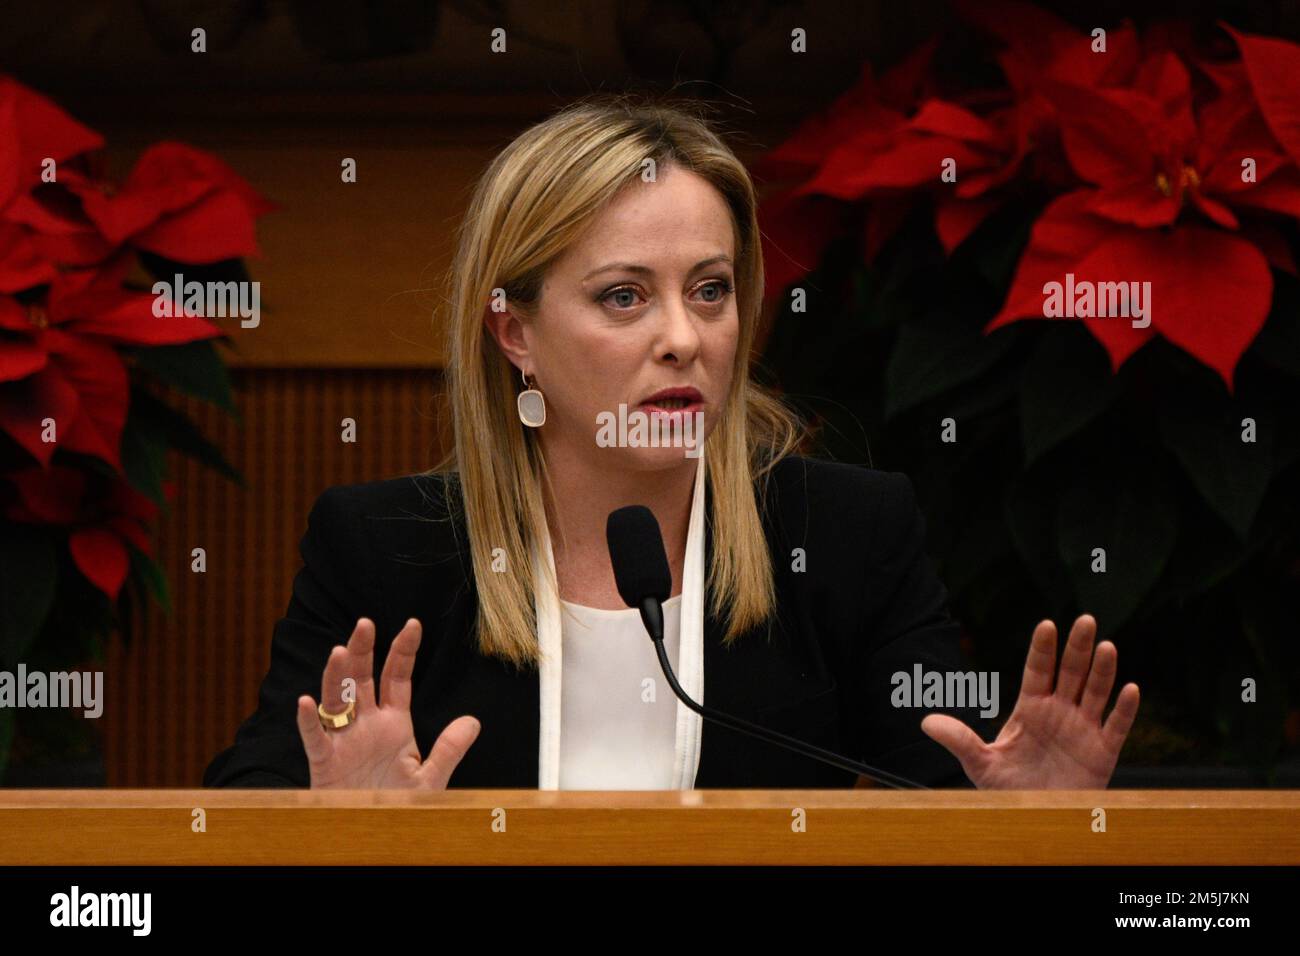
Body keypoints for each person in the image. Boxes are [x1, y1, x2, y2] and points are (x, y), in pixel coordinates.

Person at [203, 95, 1140, 791]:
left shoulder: (847, 535)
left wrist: (1021, 829)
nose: (683, 338)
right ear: (513, 333)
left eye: (710, 290)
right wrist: (324, 828)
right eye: (624, 296)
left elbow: (943, 791)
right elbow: (235, 811)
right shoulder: (384, 548)